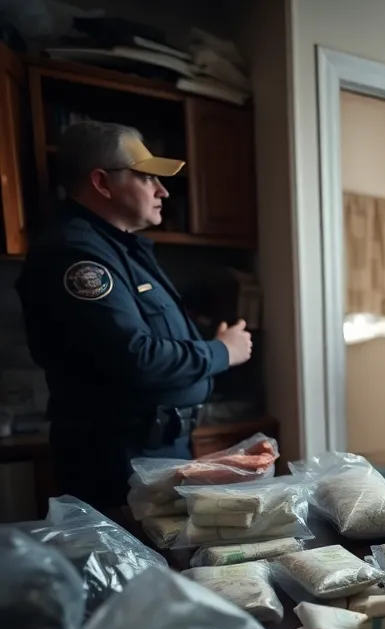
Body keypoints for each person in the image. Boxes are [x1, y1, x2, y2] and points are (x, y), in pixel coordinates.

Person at [16, 121, 253, 511]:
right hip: (117, 457)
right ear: (102, 182)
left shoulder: (120, 248)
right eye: (147, 178)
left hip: (154, 447)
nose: (163, 191)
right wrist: (221, 352)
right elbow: (135, 357)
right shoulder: (77, 255)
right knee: (134, 568)